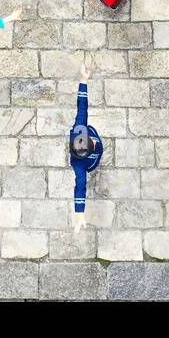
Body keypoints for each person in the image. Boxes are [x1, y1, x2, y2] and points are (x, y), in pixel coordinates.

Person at [68, 64, 103, 231]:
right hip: (91, 164)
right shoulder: (79, 164)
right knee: (82, 180)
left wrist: (83, 80)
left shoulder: (80, 127)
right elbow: (80, 186)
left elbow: (82, 106)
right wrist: (79, 213)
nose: (95, 143)